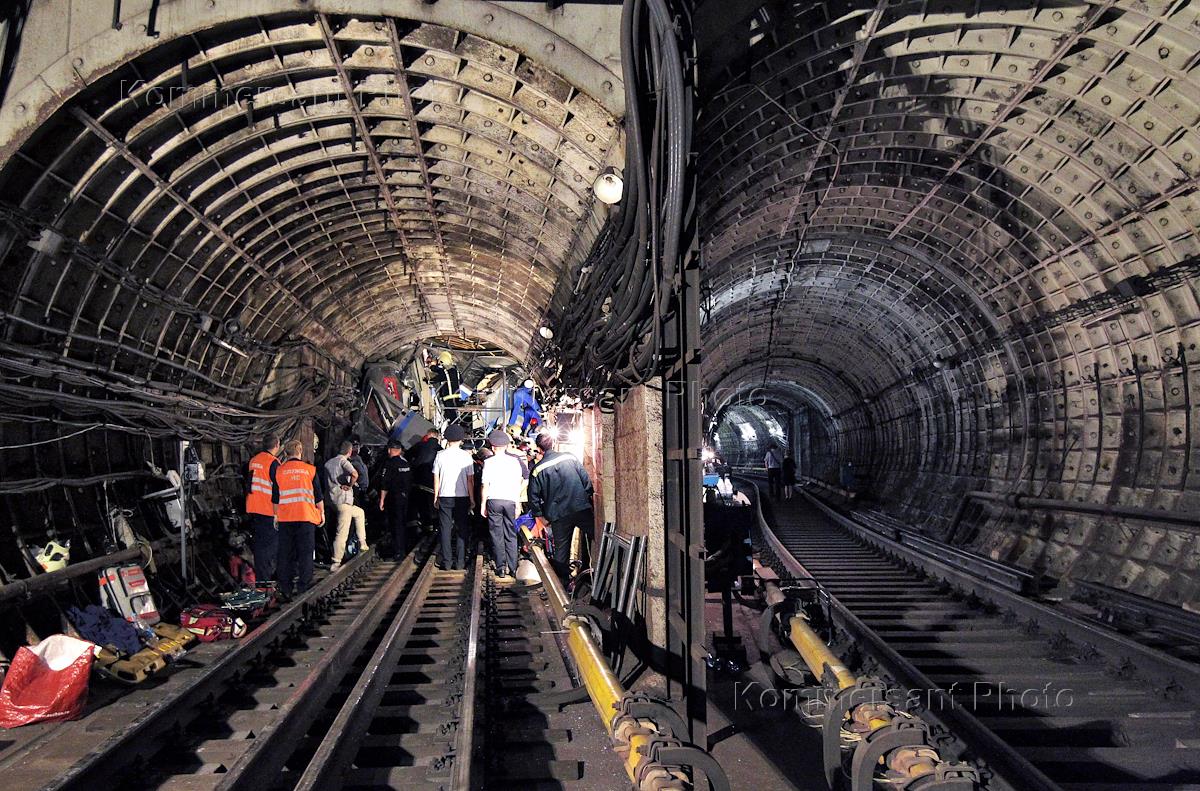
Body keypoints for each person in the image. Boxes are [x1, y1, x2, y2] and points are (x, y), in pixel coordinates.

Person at [527, 432, 594, 582]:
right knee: (595, 538)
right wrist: (588, 498)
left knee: (561, 553)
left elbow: (533, 497)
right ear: (553, 443)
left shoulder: (537, 470)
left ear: (539, 449)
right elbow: (586, 482)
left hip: (558, 515)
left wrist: (540, 516)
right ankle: (594, 576)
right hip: (581, 508)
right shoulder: (570, 457)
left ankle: (562, 588)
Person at [276, 440, 325, 599]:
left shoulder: (279, 471)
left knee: (285, 554)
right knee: (305, 553)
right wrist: (321, 513)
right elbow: (318, 496)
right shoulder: (310, 470)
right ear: (300, 452)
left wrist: (275, 517)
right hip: (305, 517)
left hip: (285, 518)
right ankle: (304, 586)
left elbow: (275, 497)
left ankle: (286, 588)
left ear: (286, 454)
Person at [481, 430, 523, 578]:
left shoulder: (488, 462)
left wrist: (482, 505)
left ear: (493, 447)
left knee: (496, 534)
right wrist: (518, 504)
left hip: (494, 500)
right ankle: (513, 567)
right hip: (510, 500)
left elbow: (485, 485)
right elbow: (518, 484)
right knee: (511, 533)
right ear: (506, 446)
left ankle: (501, 567)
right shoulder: (515, 461)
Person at [433, 424, 475, 570]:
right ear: (461, 440)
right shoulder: (466, 457)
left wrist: (436, 496)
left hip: (444, 495)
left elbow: (436, 478)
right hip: (462, 496)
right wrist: (472, 499)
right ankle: (460, 562)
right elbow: (470, 480)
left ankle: (447, 562)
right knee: (461, 528)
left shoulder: (440, 456)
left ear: (447, 438)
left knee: (445, 529)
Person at [324, 440, 368, 571]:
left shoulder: (328, 463)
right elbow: (354, 474)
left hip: (332, 500)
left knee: (359, 512)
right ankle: (336, 561)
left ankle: (363, 543)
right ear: (350, 451)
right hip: (343, 501)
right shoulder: (344, 462)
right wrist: (349, 486)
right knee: (342, 532)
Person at [244, 434, 281, 582]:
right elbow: (277, 490)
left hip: (254, 508)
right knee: (271, 548)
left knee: (260, 547)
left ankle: (262, 581)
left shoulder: (254, 461)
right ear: (277, 445)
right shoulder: (273, 463)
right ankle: (267, 582)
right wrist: (278, 514)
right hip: (268, 510)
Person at [378, 438, 412, 560]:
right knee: (403, 523)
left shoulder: (389, 464)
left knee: (394, 524)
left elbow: (384, 484)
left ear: (390, 450)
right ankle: (403, 548)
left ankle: (397, 551)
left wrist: (382, 500)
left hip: (393, 498)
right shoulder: (406, 464)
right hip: (406, 498)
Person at [409, 428, 441, 529]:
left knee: (421, 504)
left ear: (428, 435)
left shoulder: (420, 446)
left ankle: (424, 525)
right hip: (433, 483)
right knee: (433, 505)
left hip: (418, 480)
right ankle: (434, 526)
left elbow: (408, 455)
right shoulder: (440, 450)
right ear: (437, 436)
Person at [431, 351, 464, 425]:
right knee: (455, 416)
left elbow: (433, 380)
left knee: (451, 417)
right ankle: (456, 426)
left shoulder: (445, 373)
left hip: (449, 399)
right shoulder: (456, 372)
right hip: (457, 398)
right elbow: (461, 381)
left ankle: (454, 428)